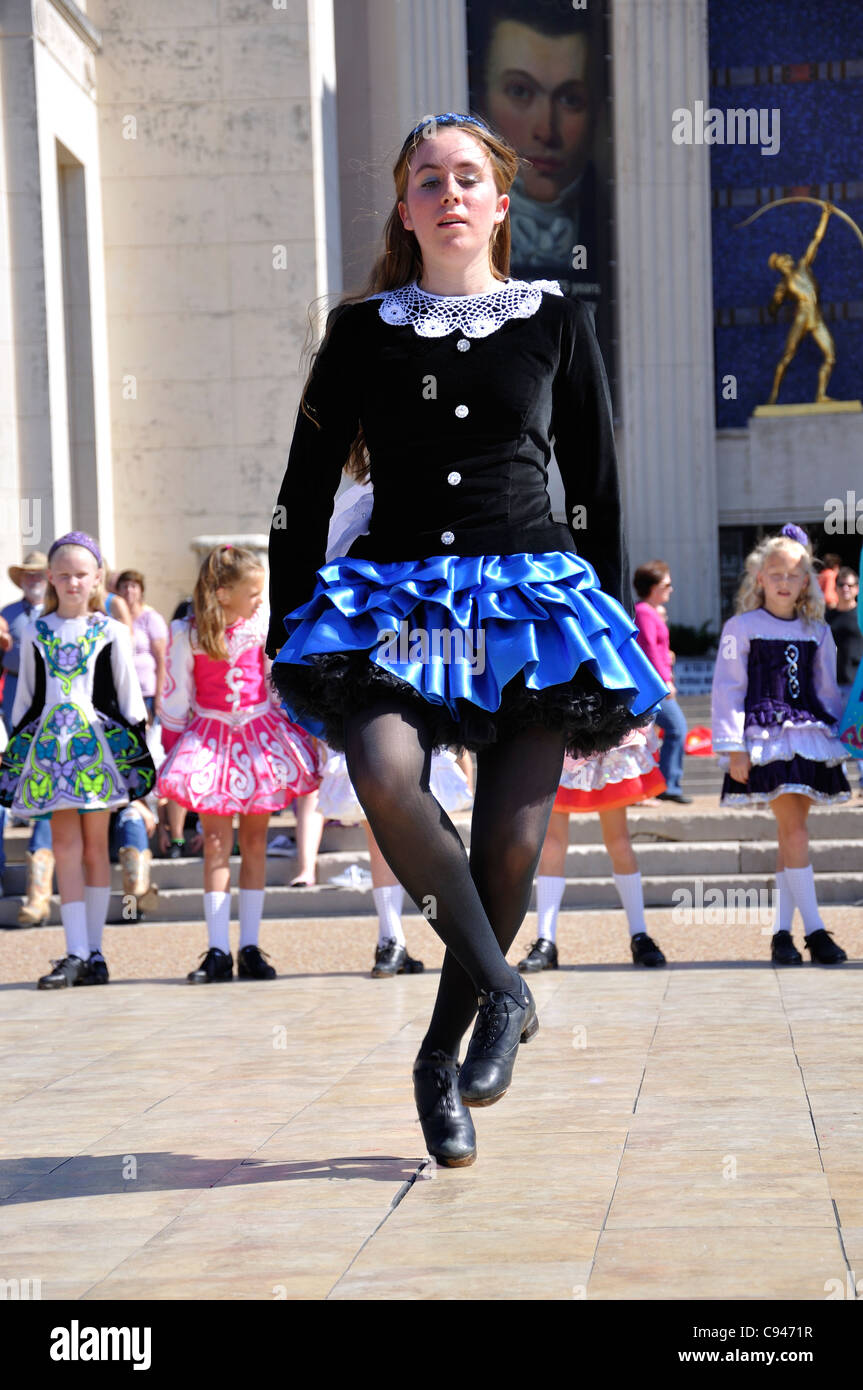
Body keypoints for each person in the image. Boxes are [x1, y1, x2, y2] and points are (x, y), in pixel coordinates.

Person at [266, 111, 668, 1167]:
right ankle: (502, 986)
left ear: (499, 201)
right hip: (390, 599)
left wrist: (616, 624)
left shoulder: (554, 320)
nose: (448, 194)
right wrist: (283, 622)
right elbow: (300, 495)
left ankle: (437, 1058)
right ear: (406, 209)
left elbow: (595, 487)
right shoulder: (359, 331)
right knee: (385, 771)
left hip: (532, 598)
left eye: (466, 178)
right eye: (426, 180)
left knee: (506, 843)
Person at [157, 545, 321, 982]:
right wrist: (173, 747)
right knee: (214, 844)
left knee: (253, 843)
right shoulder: (187, 633)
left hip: (258, 743)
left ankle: (249, 946)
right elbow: (175, 695)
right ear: (223, 592)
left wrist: (297, 733)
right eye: (252, 593)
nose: (258, 600)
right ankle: (216, 950)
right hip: (211, 742)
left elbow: (275, 685)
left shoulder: (261, 627)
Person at [0, 532, 156, 987]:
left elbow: (130, 700)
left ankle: (95, 952)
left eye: (81, 575)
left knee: (94, 848)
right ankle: (75, 951)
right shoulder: (33, 631)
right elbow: (26, 700)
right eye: (63, 574)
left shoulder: (112, 631)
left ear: (96, 579)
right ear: (50, 577)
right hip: (52, 752)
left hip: (99, 752)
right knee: (64, 846)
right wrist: (22, 756)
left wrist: (136, 762)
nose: (72, 582)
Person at [711, 523, 850, 966]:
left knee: (792, 838)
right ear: (759, 578)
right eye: (776, 573)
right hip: (765, 740)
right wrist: (732, 745)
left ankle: (780, 936)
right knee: (796, 831)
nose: (784, 582)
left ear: (807, 580)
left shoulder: (816, 631)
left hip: (809, 740)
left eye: (794, 574)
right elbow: (728, 688)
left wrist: (844, 736)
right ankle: (815, 932)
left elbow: (826, 692)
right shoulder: (741, 626)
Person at [520, 722, 668, 971]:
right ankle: (546, 941)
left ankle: (639, 934)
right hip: (557, 729)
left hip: (605, 728)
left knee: (619, 843)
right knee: (552, 845)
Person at [0, 551, 56, 918]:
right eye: (29, 575)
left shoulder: (58, 614)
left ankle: (40, 887)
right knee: (11, 775)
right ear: (21, 580)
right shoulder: (7, 616)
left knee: (48, 779)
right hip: (13, 700)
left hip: (51, 699)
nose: (34, 580)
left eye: (40, 574)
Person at [634, 561, 692, 803]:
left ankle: (659, 787)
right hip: (653, 687)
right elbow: (647, 648)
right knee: (676, 729)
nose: (671, 589)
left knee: (645, 738)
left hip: (652, 685)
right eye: (667, 584)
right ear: (654, 587)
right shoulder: (645, 612)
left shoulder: (647, 611)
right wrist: (665, 680)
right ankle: (666, 785)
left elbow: (654, 648)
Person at [115, 570, 168, 723]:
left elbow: (162, 659)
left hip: (147, 692)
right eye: (124, 586)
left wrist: (159, 695)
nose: (128, 591)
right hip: (124, 691)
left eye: (133, 586)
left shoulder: (151, 618)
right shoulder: (114, 619)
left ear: (141, 591)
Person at [827, 565, 863, 793]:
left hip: (856, 685)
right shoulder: (827, 616)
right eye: (842, 585)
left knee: (859, 736)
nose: (846, 589)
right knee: (833, 736)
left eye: (850, 585)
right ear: (836, 588)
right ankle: (839, 785)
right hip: (831, 684)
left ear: (857, 588)